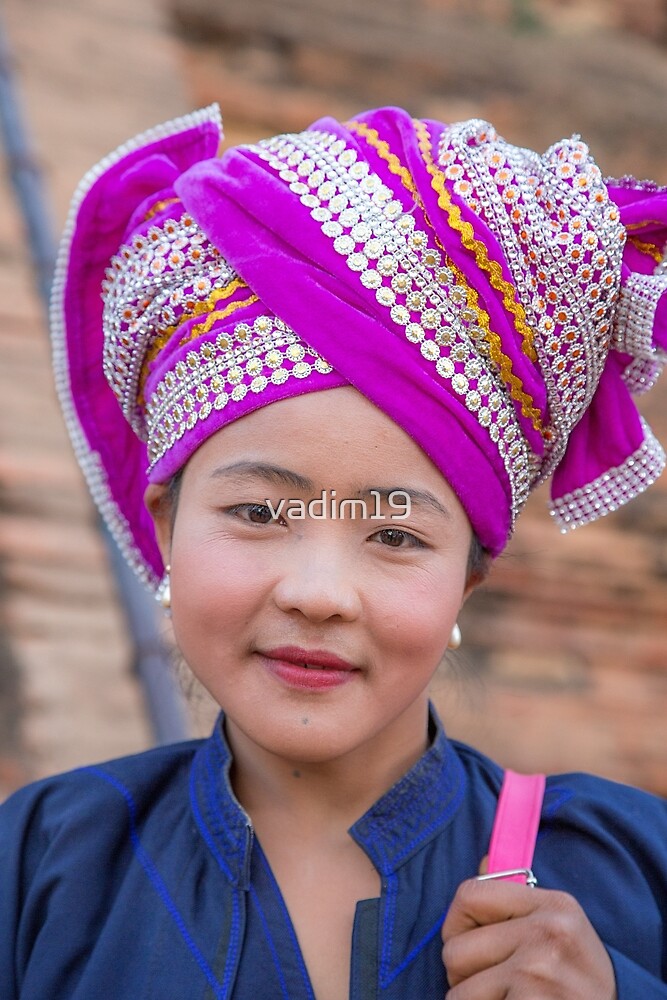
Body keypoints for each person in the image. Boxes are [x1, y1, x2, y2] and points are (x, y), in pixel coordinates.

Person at [1, 102, 666, 999]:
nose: (319, 593)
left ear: (470, 573)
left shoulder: (629, 866)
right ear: (164, 526)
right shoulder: (43, 865)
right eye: (259, 513)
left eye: (394, 534)